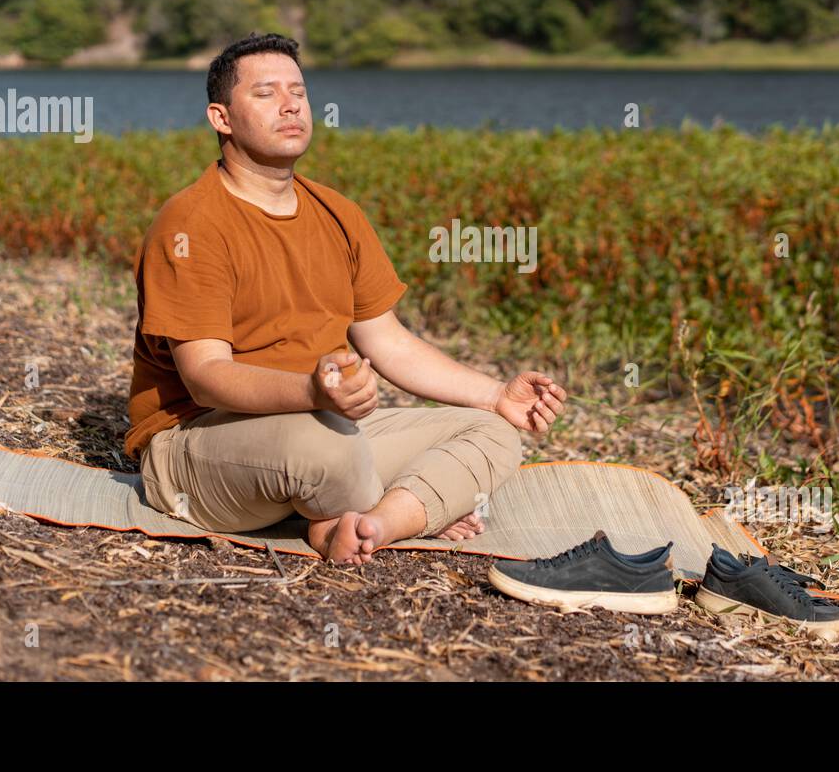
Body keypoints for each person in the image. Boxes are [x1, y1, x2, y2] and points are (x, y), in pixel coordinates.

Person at [125, 32, 567, 565]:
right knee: (328, 449)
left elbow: (387, 340)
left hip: (328, 425)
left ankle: (373, 523)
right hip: (199, 443)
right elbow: (205, 376)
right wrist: (313, 391)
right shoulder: (191, 223)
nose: (290, 105)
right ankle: (401, 505)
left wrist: (496, 395)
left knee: (491, 432)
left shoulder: (338, 213)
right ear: (221, 118)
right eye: (265, 93)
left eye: (299, 91)